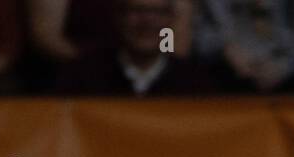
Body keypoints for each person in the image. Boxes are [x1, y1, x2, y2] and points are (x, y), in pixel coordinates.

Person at [56, 0, 216, 96]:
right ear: (119, 17)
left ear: (171, 19)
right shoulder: (82, 78)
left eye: (157, 12)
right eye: (137, 10)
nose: (147, 22)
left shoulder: (194, 84)